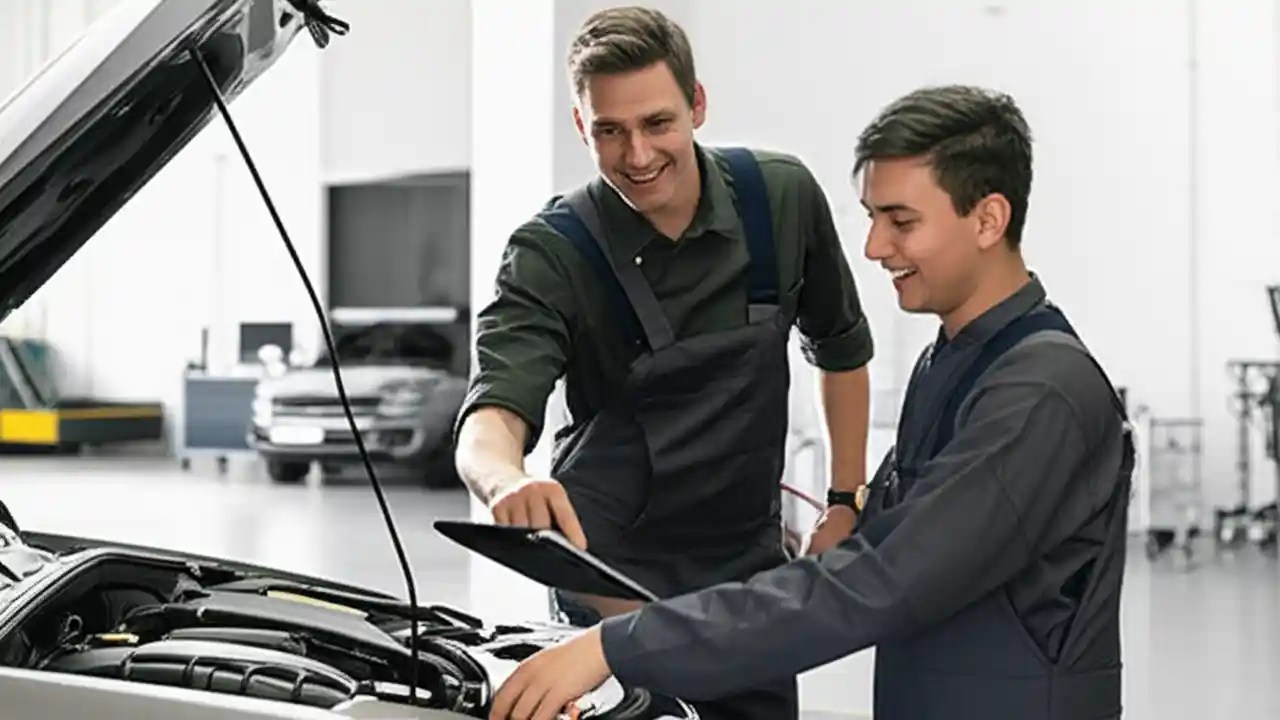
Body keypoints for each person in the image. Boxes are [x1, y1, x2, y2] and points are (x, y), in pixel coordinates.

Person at [486, 84, 1136, 720]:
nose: (874, 248)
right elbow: (881, 549)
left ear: (988, 219)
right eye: (872, 216)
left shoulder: (1038, 393)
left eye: (900, 221)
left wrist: (620, 647)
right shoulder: (957, 359)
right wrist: (845, 506)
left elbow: (878, 583)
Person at [453, 6, 875, 718]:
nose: (638, 155)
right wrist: (501, 481)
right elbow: (492, 411)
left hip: (746, 578)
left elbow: (841, 347)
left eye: (657, 124)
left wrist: (844, 498)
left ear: (697, 105)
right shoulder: (552, 252)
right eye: (610, 131)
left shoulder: (781, 199)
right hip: (606, 579)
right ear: (583, 127)